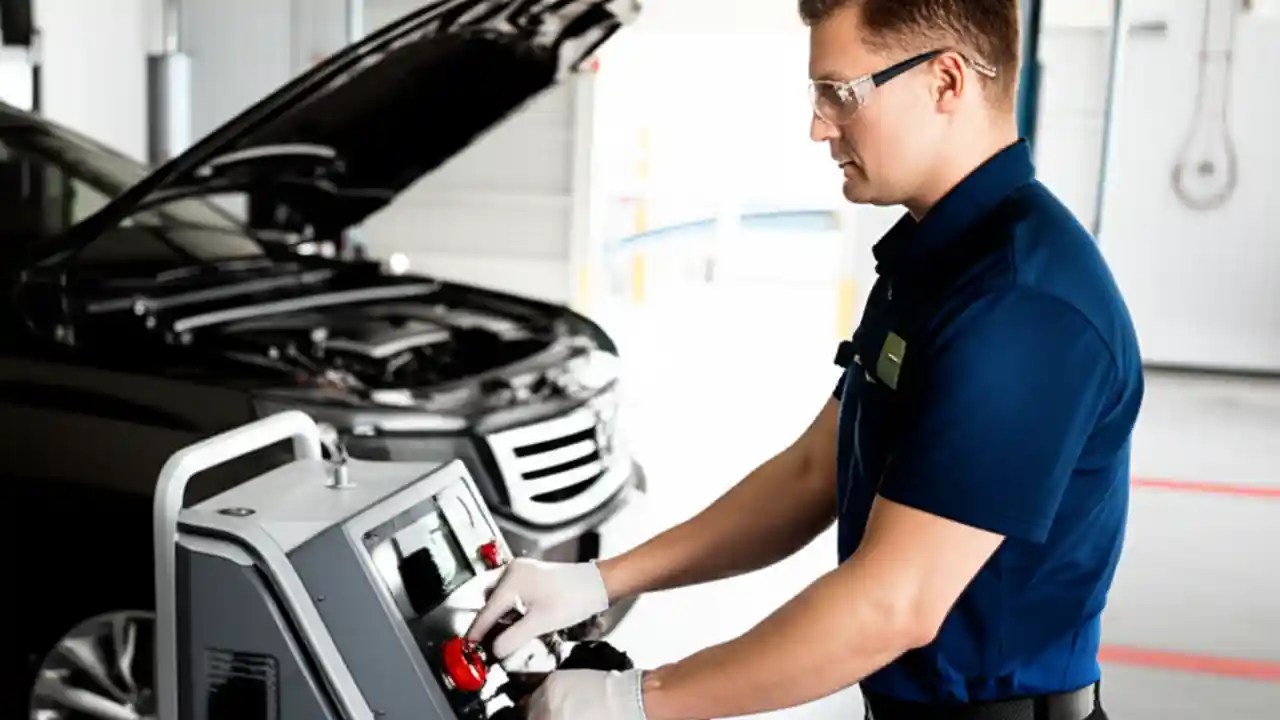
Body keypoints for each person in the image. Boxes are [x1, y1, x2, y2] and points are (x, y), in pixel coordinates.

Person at [467, 1, 1144, 718]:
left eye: (840, 92)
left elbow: (894, 603)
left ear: (946, 81)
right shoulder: (932, 260)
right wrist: (602, 580)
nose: (819, 125)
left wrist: (637, 701)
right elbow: (812, 473)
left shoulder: (1022, 305)